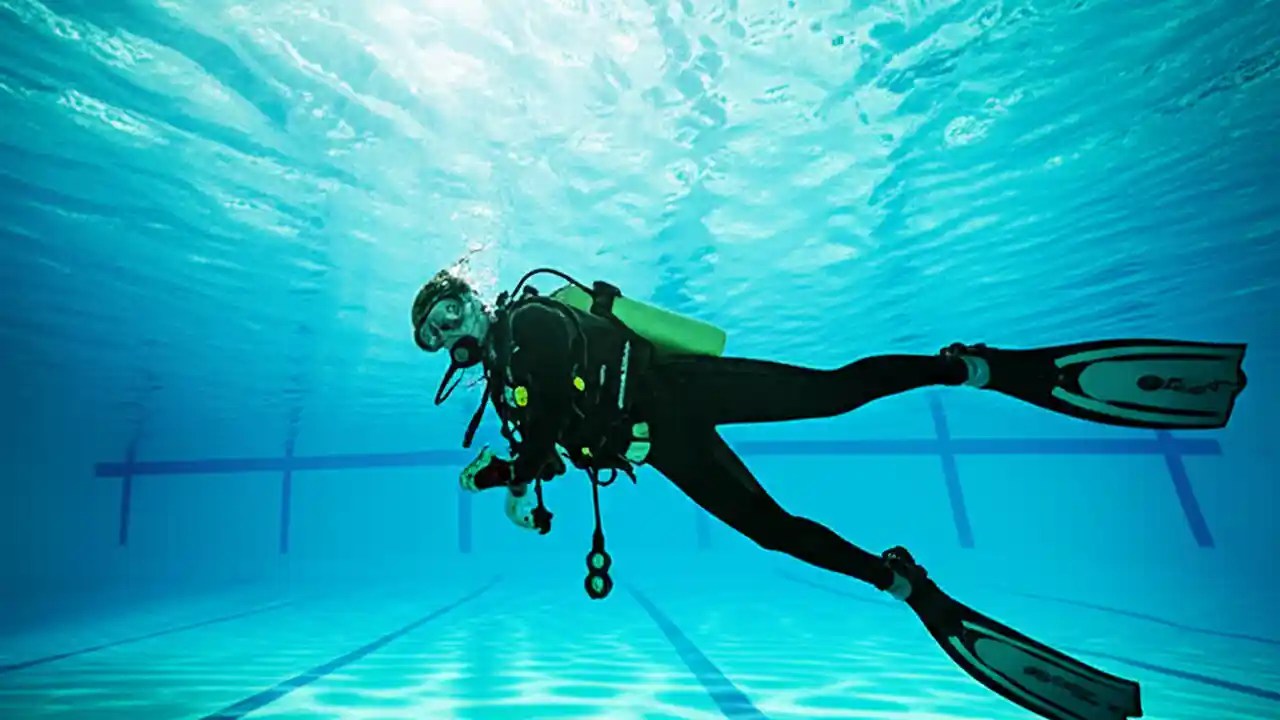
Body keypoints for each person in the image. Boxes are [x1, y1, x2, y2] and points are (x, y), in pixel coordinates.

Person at [411, 266, 1247, 720]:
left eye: (448, 311)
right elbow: (557, 441)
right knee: (773, 531)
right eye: (433, 336)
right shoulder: (506, 382)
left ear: (471, 296)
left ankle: (969, 365)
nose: (449, 334)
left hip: (683, 391)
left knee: (831, 392)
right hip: (660, 443)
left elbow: (552, 408)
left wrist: (508, 473)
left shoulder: (527, 325)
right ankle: (898, 578)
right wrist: (508, 475)